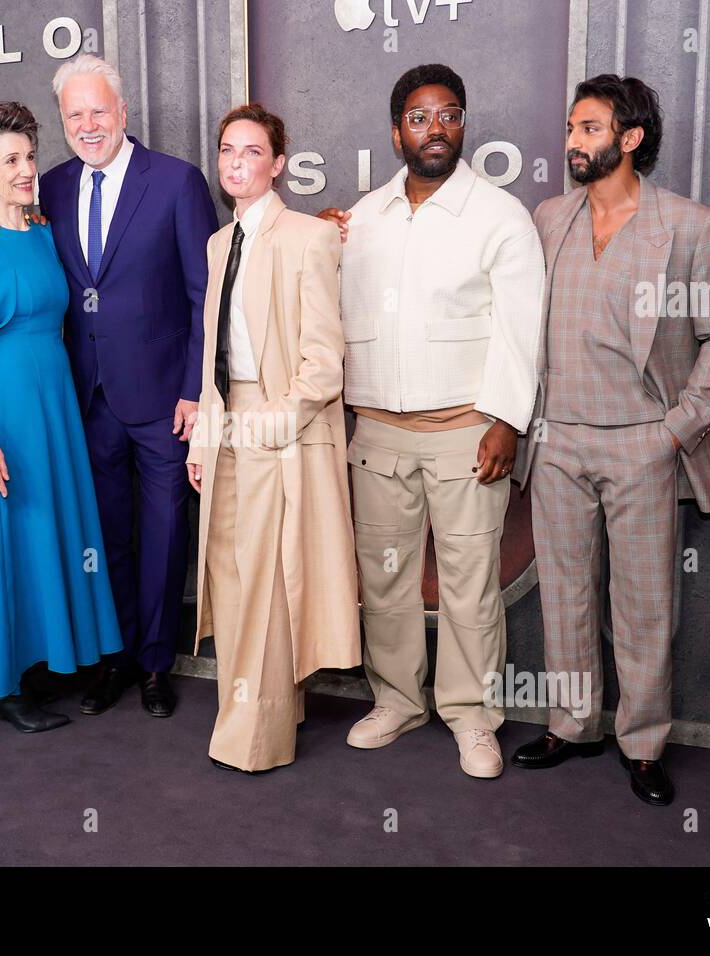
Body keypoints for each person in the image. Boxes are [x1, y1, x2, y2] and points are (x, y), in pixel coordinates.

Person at [510, 75, 710, 805]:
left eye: (587, 128)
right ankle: (573, 722)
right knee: (567, 597)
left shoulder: (687, 225)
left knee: (643, 605)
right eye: (572, 128)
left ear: (630, 138)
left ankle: (642, 743)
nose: (572, 141)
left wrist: (674, 432)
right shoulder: (549, 217)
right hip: (556, 444)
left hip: (643, 444)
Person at [318, 64, 545, 779]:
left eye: (448, 114)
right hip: (378, 433)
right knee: (384, 580)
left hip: (467, 433)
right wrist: (324, 242)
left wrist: (506, 420)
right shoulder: (362, 219)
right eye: (419, 117)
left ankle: (473, 716)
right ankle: (396, 700)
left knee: (469, 584)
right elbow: (322, 302)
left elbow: (521, 329)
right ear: (396, 133)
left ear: (464, 125)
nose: (435, 128)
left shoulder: (500, 214)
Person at [38, 55, 218, 719]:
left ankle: (154, 663)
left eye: (98, 111)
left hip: (165, 399)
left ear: (123, 112)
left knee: (166, 532)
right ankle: (114, 656)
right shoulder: (50, 189)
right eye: (74, 115)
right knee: (106, 535)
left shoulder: (175, 182)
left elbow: (205, 299)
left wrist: (195, 390)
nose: (88, 125)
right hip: (87, 400)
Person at [0, 101, 124, 731]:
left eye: (28, 156)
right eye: (10, 161)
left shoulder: (46, 233)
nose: (26, 169)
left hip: (56, 407)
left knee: (52, 528)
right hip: (6, 410)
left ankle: (44, 661)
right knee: (9, 532)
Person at [185, 104, 360, 774]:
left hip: (274, 428)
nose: (236, 162)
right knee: (231, 577)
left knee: (263, 579)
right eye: (228, 150)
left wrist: (272, 425)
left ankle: (252, 739)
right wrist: (205, 436)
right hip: (225, 423)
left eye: (252, 151)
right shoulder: (217, 243)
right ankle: (270, 707)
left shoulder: (308, 238)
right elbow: (211, 356)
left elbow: (324, 362)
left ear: (279, 162)